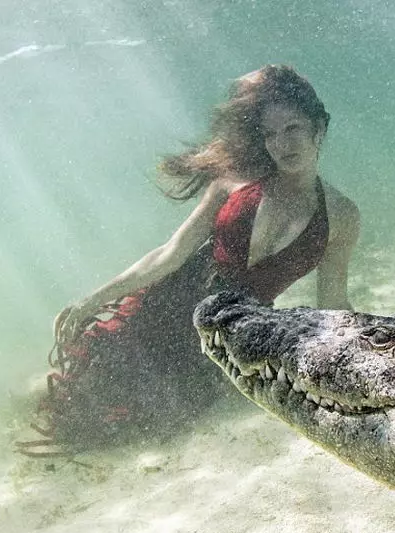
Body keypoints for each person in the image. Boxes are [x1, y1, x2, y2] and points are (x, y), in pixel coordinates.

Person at [19, 65, 360, 454]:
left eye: (292, 129)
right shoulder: (233, 182)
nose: (282, 144)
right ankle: (24, 397)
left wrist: (372, 351)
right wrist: (91, 301)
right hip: (163, 307)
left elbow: (333, 305)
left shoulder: (341, 217)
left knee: (153, 425)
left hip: (226, 332)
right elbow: (170, 254)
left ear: (318, 127)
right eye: (270, 134)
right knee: (70, 404)